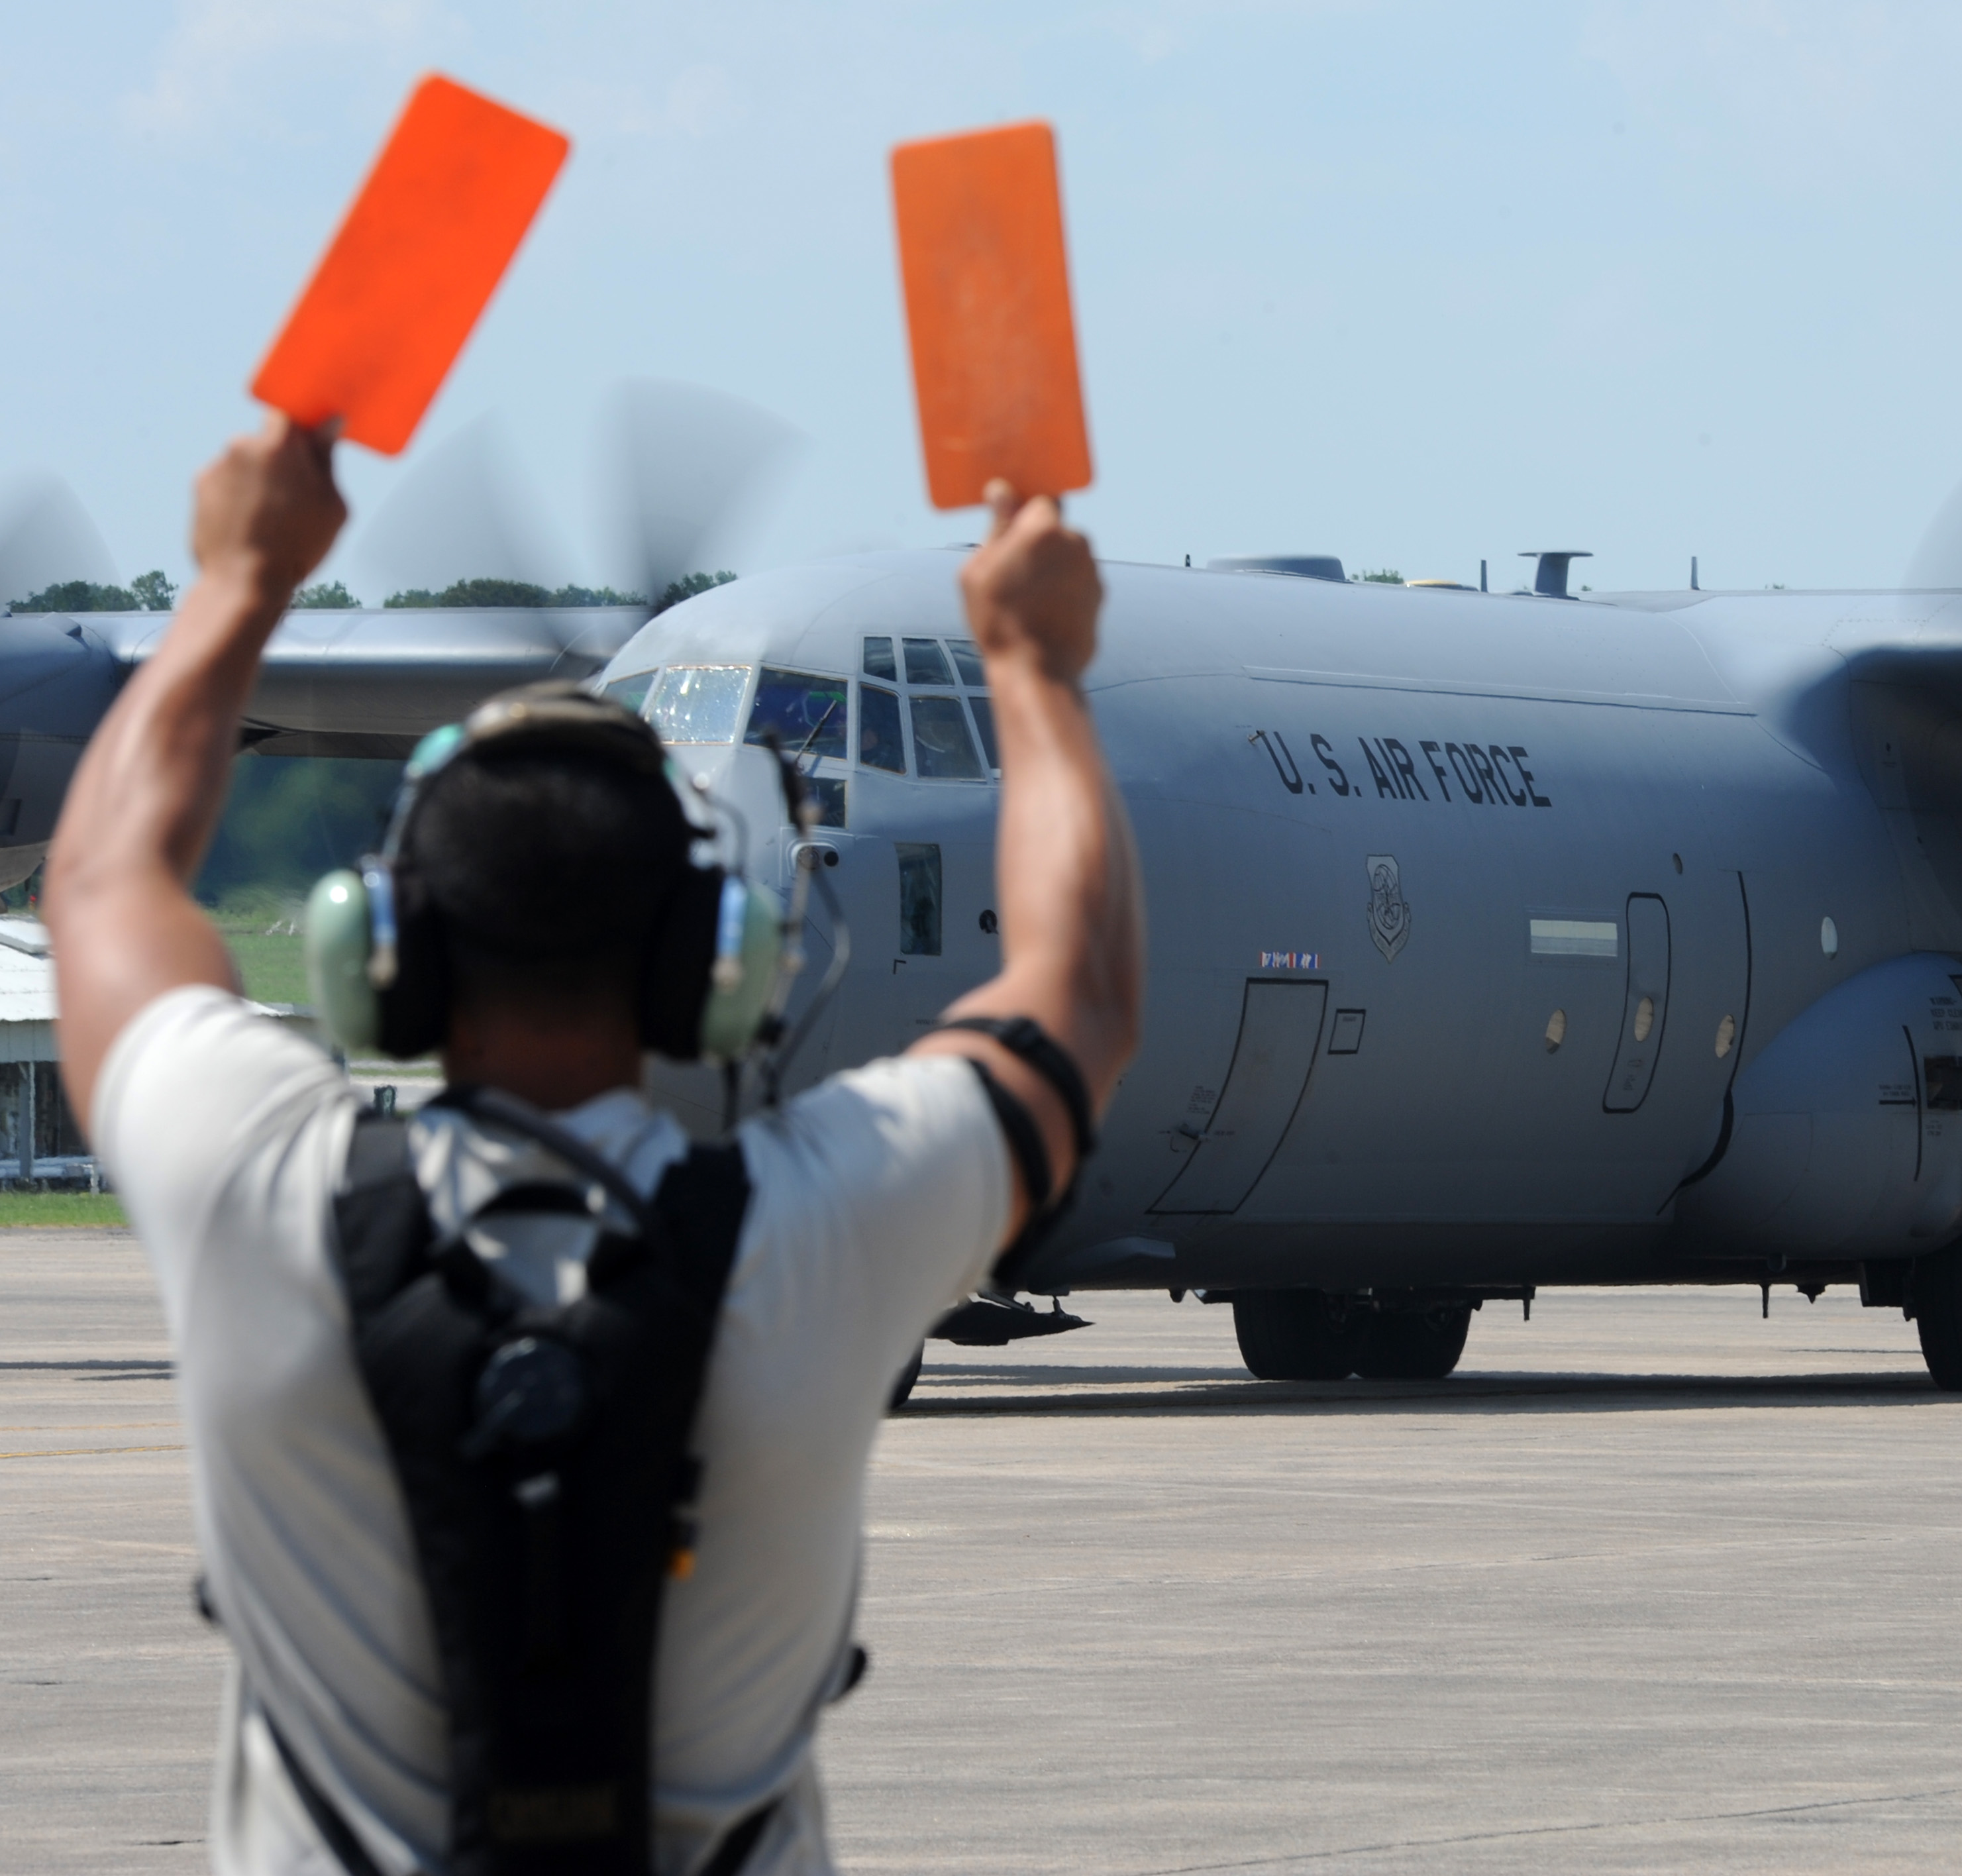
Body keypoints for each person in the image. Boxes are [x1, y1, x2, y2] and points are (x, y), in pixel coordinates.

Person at [48, 414, 1144, 1874]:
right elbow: (1080, 994)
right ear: (718, 960)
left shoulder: (259, 1186)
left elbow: (101, 879)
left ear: (379, 953)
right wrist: (1034, 667)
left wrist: (243, 579)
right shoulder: (824, 1229)